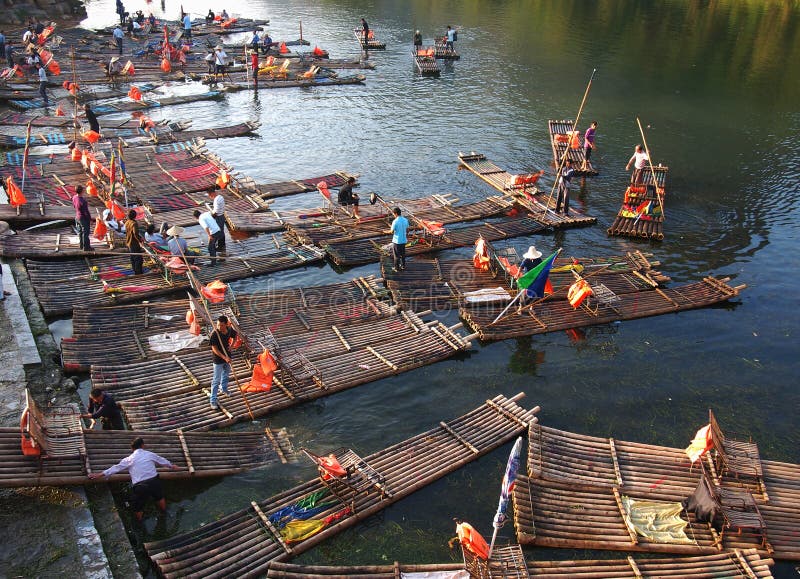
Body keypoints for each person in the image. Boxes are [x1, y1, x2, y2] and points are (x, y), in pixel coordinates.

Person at [88, 437, 180, 520]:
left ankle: (139, 522)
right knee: (159, 497)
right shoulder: (149, 454)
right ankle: (164, 512)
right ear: (143, 446)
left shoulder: (129, 459)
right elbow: (162, 461)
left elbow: (116, 468)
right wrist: (172, 466)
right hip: (154, 481)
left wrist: (98, 475)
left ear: (132, 448)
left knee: (138, 506)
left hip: (141, 486)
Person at [209, 315, 237, 410]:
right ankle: (213, 400)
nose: (219, 327)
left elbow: (235, 337)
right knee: (216, 380)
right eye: (218, 325)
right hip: (218, 359)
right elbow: (214, 349)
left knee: (226, 375)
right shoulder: (215, 334)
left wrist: (232, 346)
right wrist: (224, 357)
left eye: (221, 325)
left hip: (227, 356)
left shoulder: (229, 330)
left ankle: (224, 389)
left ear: (226, 324)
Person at [389, 207, 409, 272]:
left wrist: (385, 232)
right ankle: (403, 266)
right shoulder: (405, 220)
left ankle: (396, 268)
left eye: (393, 214)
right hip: (403, 240)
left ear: (396, 213)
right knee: (403, 255)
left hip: (397, 241)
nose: (393, 215)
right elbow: (407, 229)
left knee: (396, 256)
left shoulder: (395, 221)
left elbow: (391, 231)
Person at [72, 185, 92, 251]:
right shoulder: (83, 201)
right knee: (85, 232)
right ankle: (86, 247)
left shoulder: (74, 197)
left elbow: (74, 206)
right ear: (82, 191)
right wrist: (89, 219)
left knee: (80, 232)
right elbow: (86, 212)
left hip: (77, 217)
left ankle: (81, 246)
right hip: (83, 218)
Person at [125, 209, 143, 274]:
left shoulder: (127, 222)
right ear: (135, 216)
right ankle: (138, 273)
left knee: (132, 257)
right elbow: (135, 233)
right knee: (138, 258)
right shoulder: (134, 223)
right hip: (134, 243)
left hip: (128, 242)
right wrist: (140, 240)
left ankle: (135, 270)